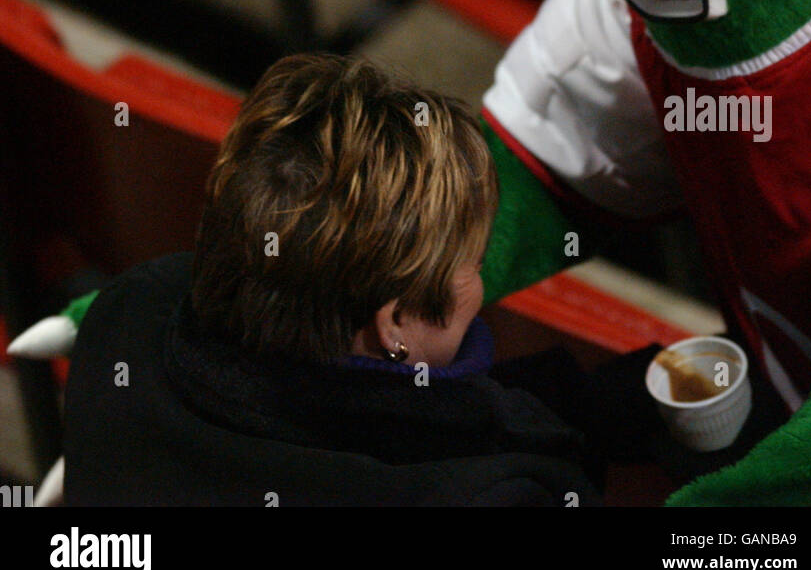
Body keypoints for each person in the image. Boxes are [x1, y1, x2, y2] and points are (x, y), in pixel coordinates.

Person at [63, 54, 604, 506]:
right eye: (476, 261)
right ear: (396, 323)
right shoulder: (493, 493)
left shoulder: (126, 314)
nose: (482, 286)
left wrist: (584, 398)